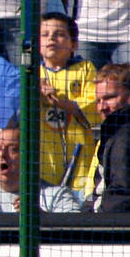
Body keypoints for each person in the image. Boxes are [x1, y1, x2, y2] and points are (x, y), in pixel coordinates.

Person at [39, 13, 99, 194]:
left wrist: (62, 103)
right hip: (43, 160)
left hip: (79, 159)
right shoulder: (30, 74)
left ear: (74, 44)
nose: (51, 38)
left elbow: (94, 105)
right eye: (44, 34)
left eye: (59, 34)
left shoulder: (85, 68)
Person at [0, 127, 82, 213]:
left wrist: (42, 218)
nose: (2, 154)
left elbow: (76, 233)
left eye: (13, 149)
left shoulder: (57, 196)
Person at [91, 62, 130, 211]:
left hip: (114, 227)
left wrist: (94, 222)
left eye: (110, 97)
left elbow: (122, 196)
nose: (101, 107)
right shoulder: (113, 133)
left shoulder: (126, 136)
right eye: (98, 101)